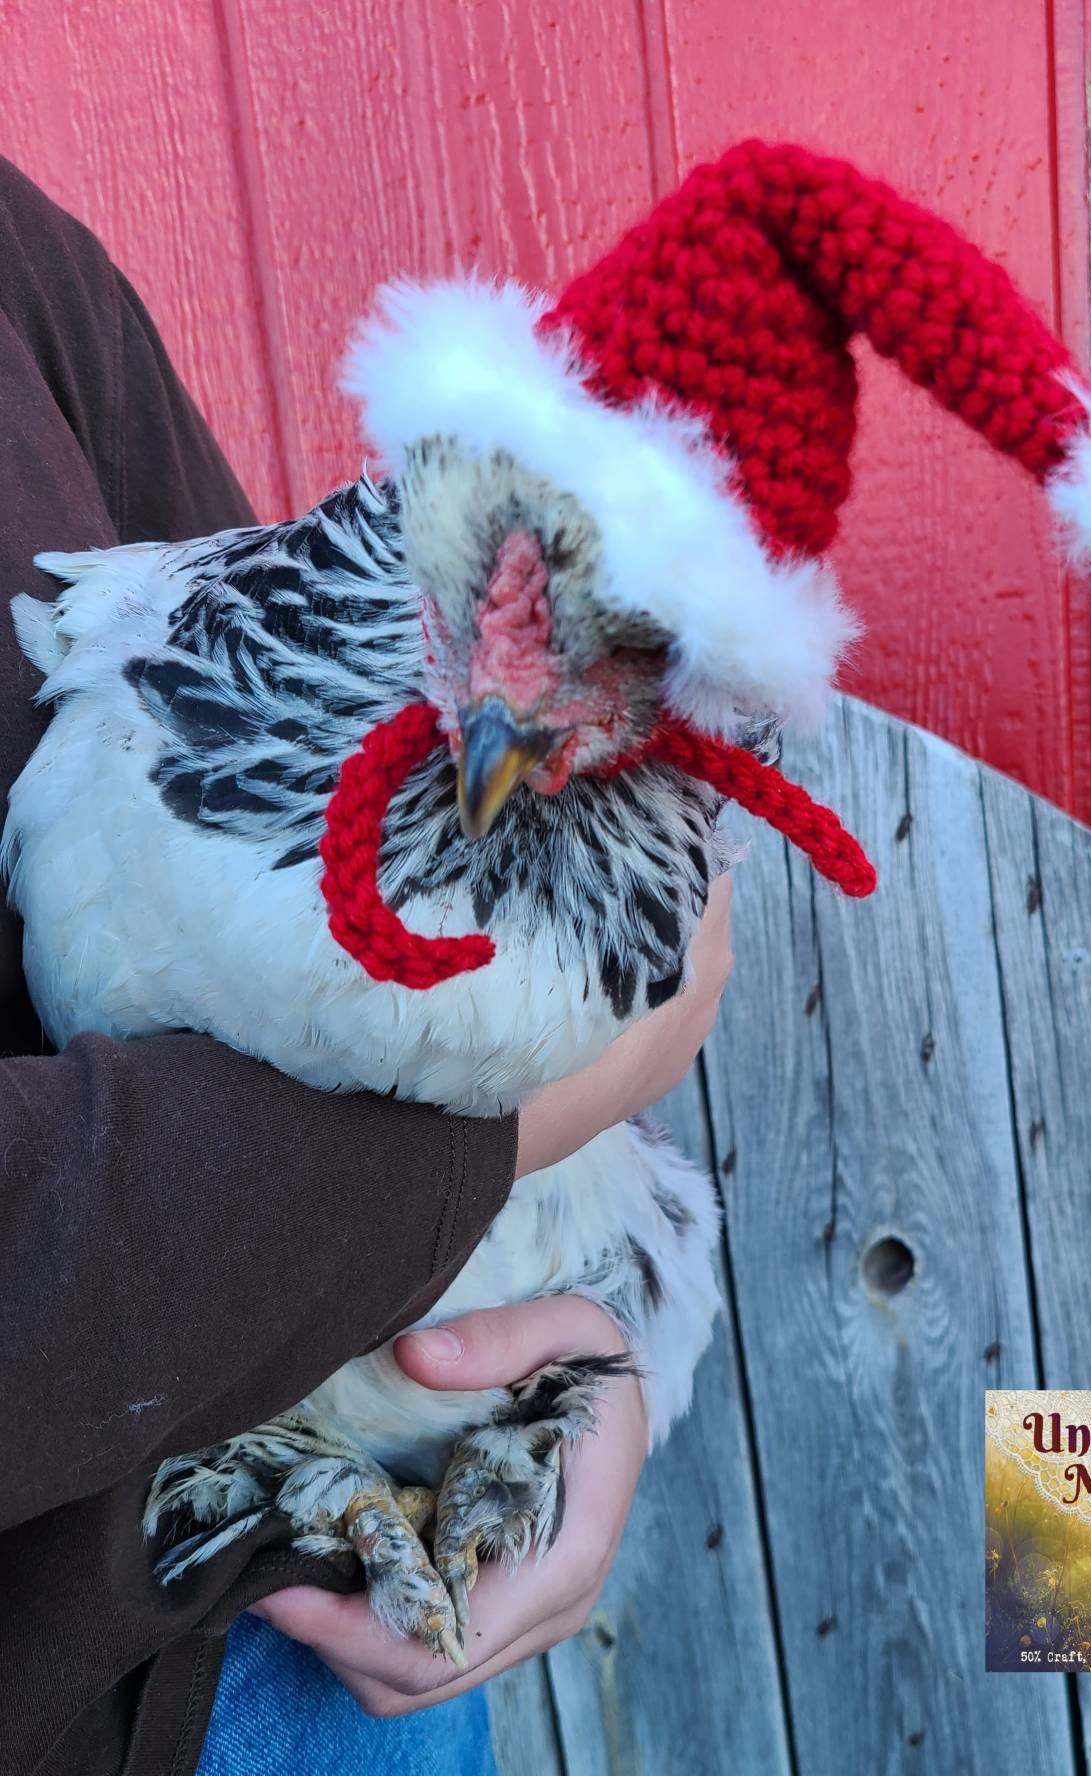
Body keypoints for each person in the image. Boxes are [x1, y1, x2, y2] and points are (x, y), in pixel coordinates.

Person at [0, 155, 734, 1776]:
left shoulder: (15, 257)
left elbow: (674, 939)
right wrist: (496, 1136)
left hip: (332, 1642)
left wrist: (559, 1393)